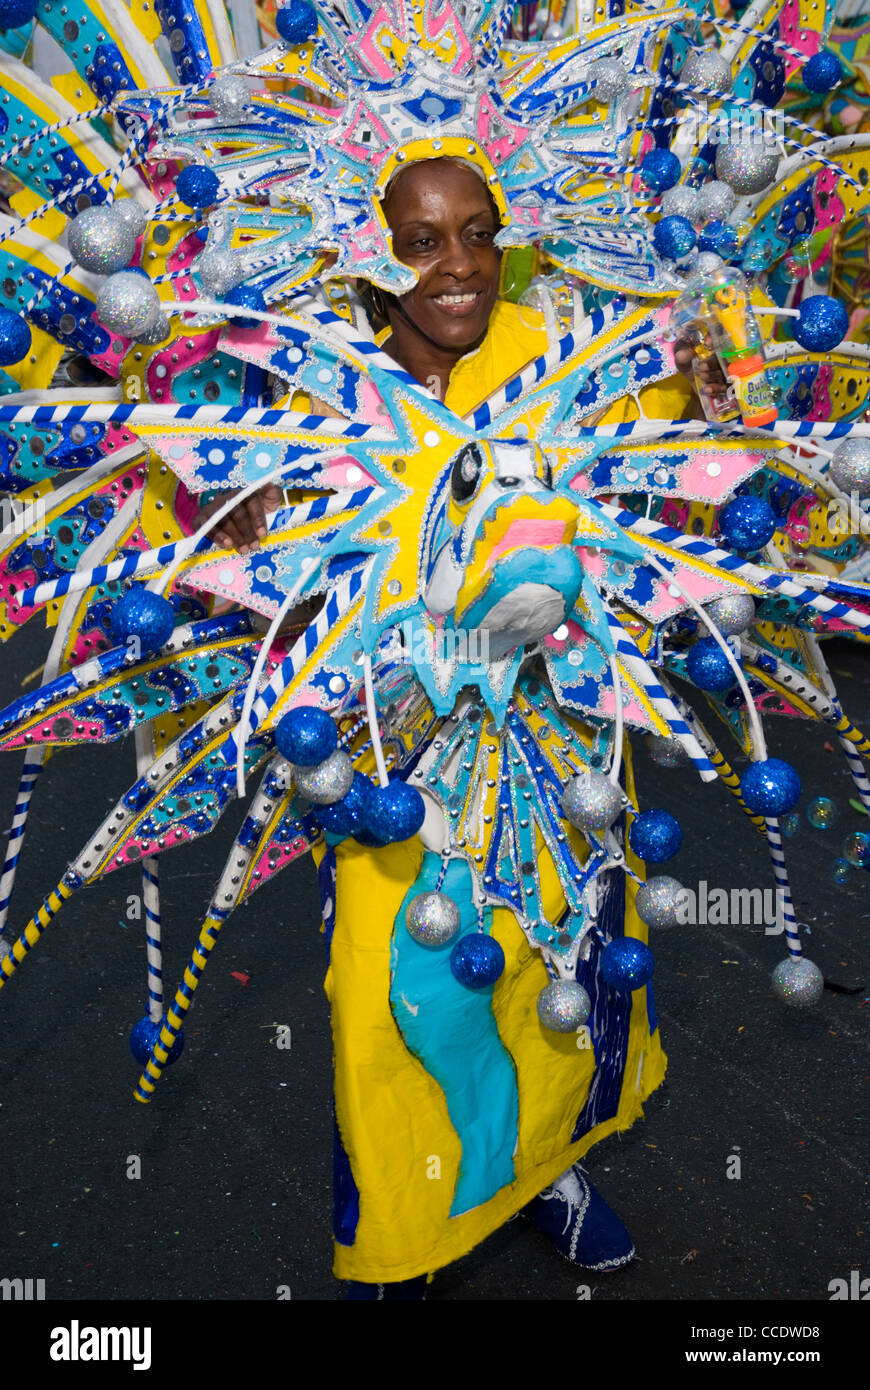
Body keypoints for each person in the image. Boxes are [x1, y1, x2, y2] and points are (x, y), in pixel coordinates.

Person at [197, 154, 709, 1298]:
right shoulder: (316, 403)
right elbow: (275, 608)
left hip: (559, 754)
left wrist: (705, 330)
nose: (463, 265)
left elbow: (658, 462)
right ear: (370, 256)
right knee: (396, 997)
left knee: (552, 967)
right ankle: (409, 1227)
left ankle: (545, 1171)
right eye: (424, 241)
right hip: (397, 777)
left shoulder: (551, 358)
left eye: (479, 233)